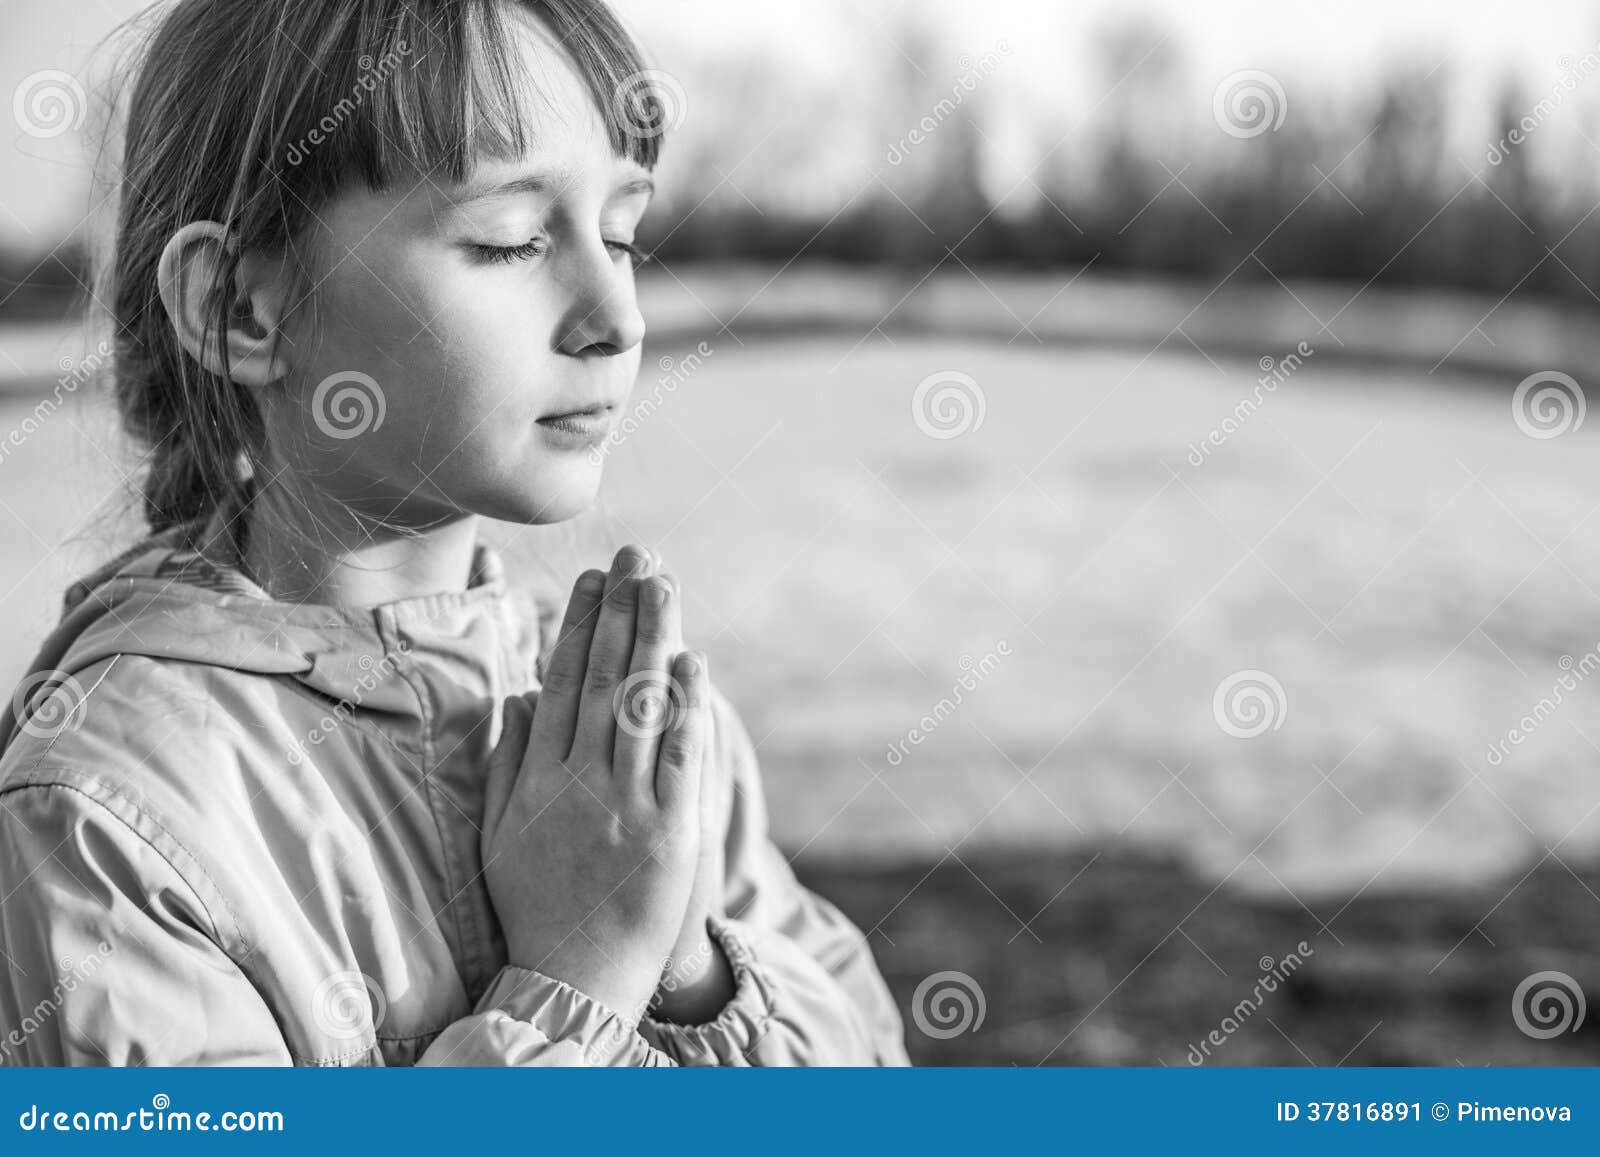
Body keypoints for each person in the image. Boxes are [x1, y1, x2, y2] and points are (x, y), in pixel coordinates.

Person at [0, 0, 908, 1067]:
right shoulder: (110, 815)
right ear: (245, 311)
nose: (617, 315)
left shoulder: (628, 735)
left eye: (621, 232)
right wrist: (575, 978)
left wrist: (685, 970)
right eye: (510, 241)